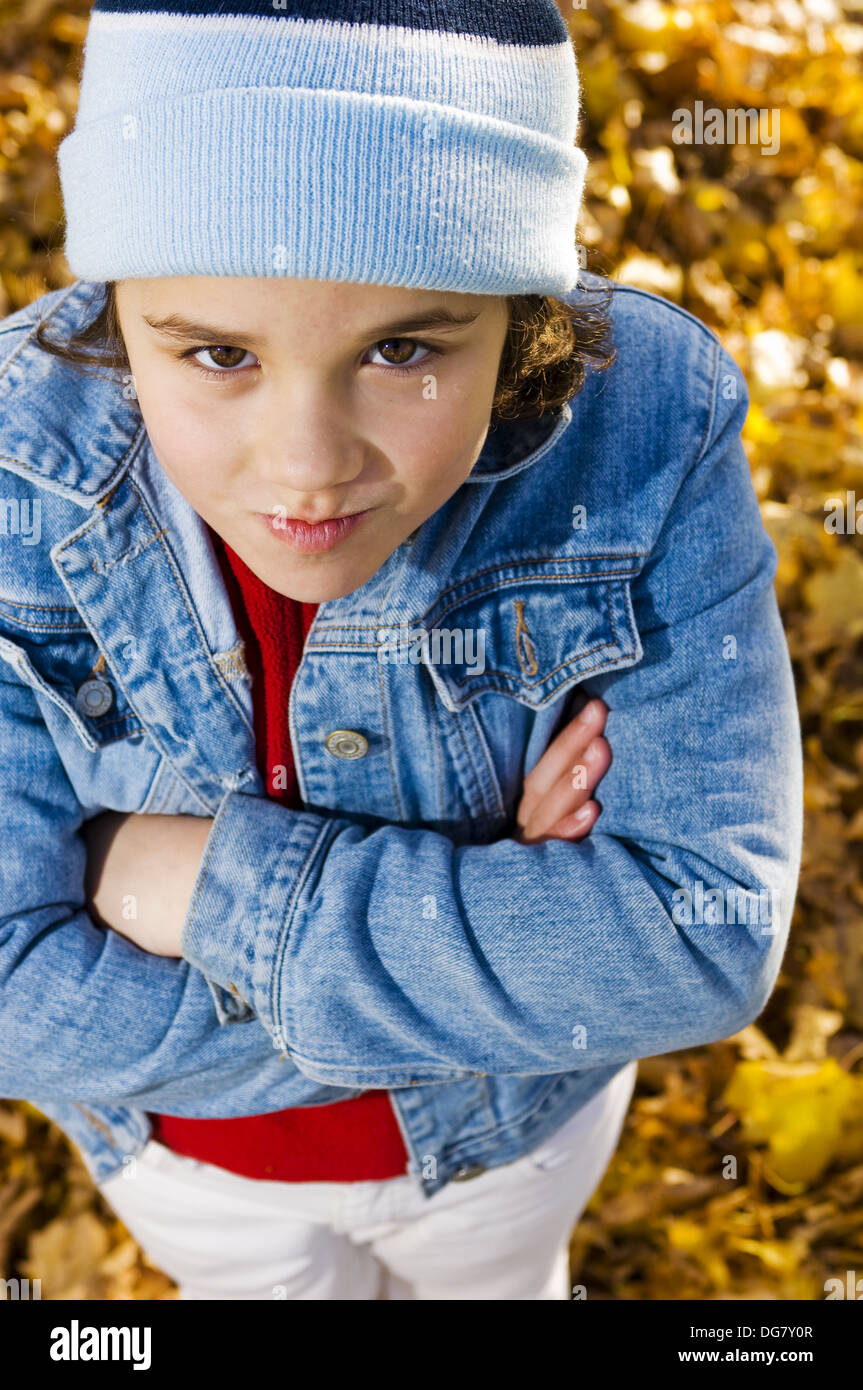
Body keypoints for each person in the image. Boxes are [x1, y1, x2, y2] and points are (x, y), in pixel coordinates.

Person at [0, 0, 802, 1300]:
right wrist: (496, 913)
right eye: (216, 353)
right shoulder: (15, 467)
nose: (308, 468)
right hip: (197, 1179)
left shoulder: (644, 423)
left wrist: (179, 883)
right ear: (117, 303)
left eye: (403, 349)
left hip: (508, 1159)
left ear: (519, 315)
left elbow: (700, 936)